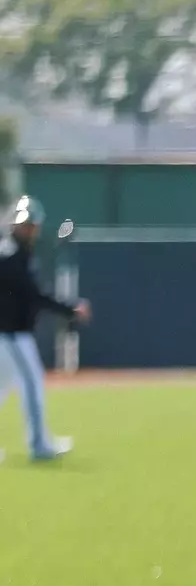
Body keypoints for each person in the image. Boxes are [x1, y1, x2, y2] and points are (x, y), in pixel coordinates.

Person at [0, 195, 91, 464]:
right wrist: (70, 309)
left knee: (8, 388)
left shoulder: (17, 253)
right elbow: (34, 295)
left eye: (31, 224)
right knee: (32, 384)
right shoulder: (10, 255)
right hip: (10, 334)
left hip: (12, 333)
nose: (29, 229)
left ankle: (40, 443)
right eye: (25, 224)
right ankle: (39, 446)